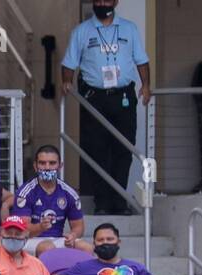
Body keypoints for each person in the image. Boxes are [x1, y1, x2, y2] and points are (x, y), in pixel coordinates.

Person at [60, 0, 150, 215]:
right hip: (95, 98)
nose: (102, 3)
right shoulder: (81, 31)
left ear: (116, 2)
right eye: (98, 0)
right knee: (97, 151)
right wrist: (67, 81)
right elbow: (69, 63)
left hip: (124, 97)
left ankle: (119, 201)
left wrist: (146, 85)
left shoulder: (129, 28)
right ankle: (102, 203)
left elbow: (142, 60)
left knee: (124, 149)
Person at [13, 145, 87, 255]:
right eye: (42, 163)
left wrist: (73, 236)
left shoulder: (69, 192)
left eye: (52, 163)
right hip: (28, 240)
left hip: (58, 239)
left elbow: (78, 226)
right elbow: (22, 230)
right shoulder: (26, 192)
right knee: (48, 248)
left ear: (60, 166)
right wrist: (40, 227)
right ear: (35, 166)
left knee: (86, 247)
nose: (47, 167)